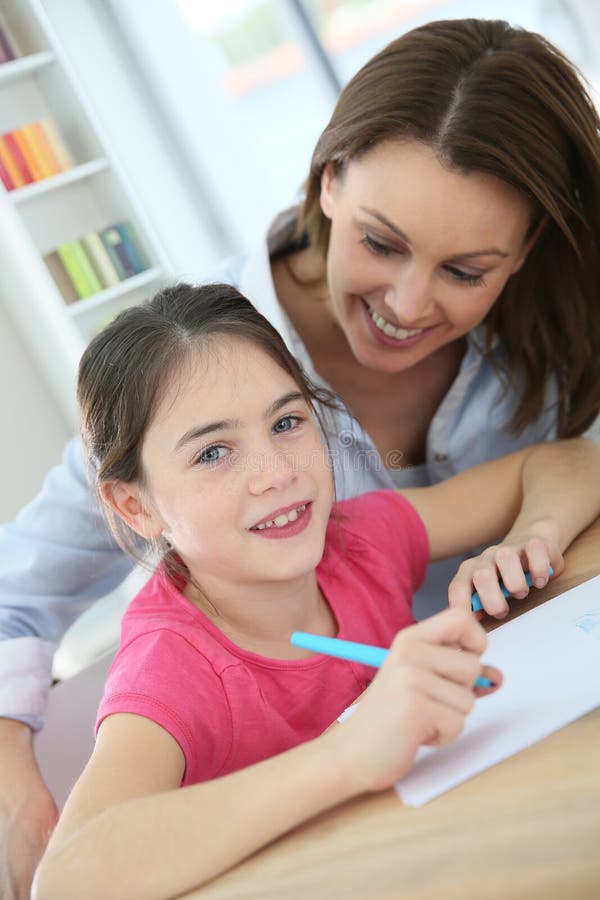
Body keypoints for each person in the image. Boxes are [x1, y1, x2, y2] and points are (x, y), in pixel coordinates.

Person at [2, 16, 600, 898]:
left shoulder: (362, 534)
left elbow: (560, 464)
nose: (406, 303)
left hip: (469, 746)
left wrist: (533, 539)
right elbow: (76, 867)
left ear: (522, 259)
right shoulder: (204, 375)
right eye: (381, 242)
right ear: (328, 181)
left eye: (465, 271)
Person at [31, 283, 600, 899]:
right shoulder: (171, 667)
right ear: (136, 505)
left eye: (287, 421)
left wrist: (532, 534)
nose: (277, 473)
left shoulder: (358, 542)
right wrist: (349, 754)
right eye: (214, 452)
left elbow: (572, 460)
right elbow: (66, 881)